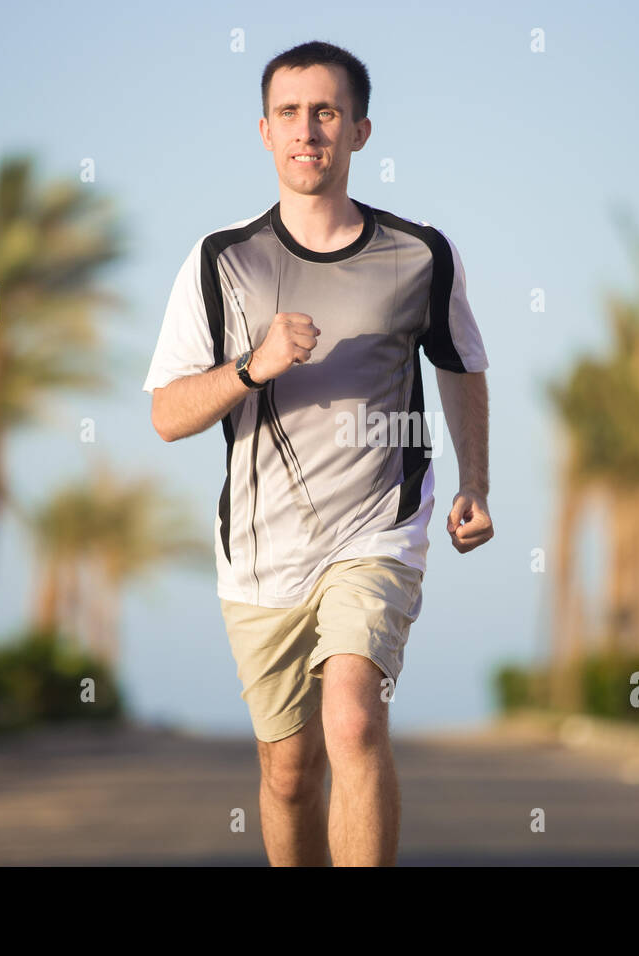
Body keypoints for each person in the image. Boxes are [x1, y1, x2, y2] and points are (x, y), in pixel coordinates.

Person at [143, 40, 493, 866]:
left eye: (328, 112)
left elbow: (462, 365)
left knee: (354, 718)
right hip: (261, 556)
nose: (310, 131)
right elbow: (165, 414)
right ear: (264, 132)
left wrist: (474, 481)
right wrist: (249, 367)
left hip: (377, 530)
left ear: (361, 131)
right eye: (292, 114)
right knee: (290, 772)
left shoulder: (420, 254)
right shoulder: (219, 261)